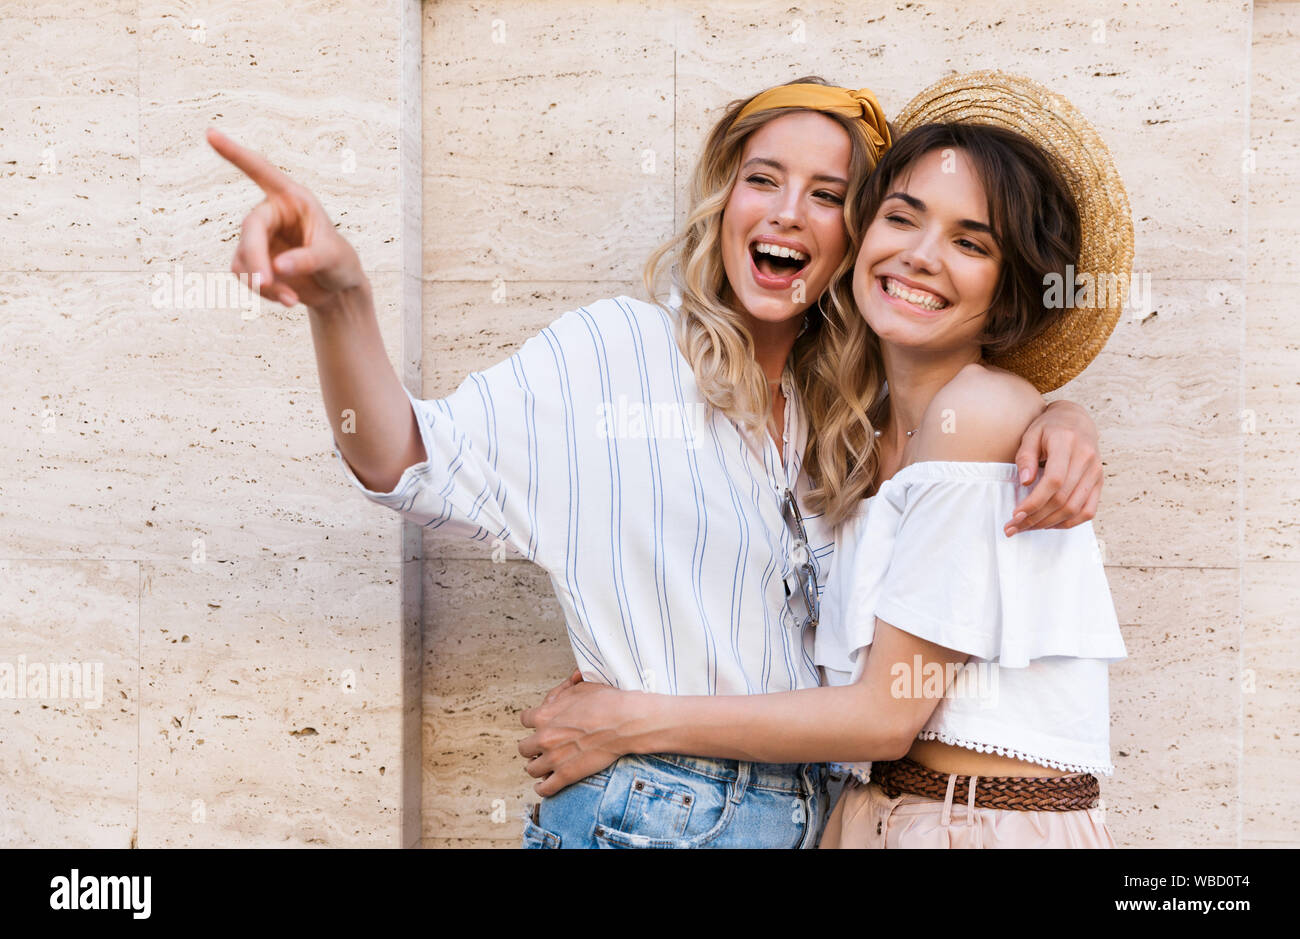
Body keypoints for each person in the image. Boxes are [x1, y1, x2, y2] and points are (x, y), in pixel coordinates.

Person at [206, 75, 1105, 850]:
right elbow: (406, 456)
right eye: (763, 179)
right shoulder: (617, 349)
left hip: (822, 816)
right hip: (651, 813)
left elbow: (959, 457)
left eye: (828, 195)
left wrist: (1052, 413)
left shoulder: (849, 419)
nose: (789, 211)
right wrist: (343, 302)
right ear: (726, 200)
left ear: (850, 237)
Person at [518, 71, 1130, 849]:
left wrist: (630, 721)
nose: (920, 257)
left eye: (970, 242)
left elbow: (883, 714)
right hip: (872, 814)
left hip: (982, 824)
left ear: (1007, 291)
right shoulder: (855, 430)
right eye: (901, 219)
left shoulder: (982, 412)